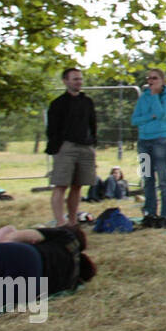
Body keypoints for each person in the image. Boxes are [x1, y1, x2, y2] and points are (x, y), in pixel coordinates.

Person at [0, 224, 95, 314]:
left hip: (23, 256)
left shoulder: (67, 237)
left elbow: (12, 236)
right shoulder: (71, 282)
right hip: (28, 289)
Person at [46, 66, 97, 227]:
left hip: (85, 147)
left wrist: (93, 143)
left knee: (78, 185)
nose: (79, 82)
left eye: (80, 79)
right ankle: (61, 222)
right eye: (75, 79)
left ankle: (73, 221)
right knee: (61, 185)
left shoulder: (87, 102)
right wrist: (58, 147)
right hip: (66, 147)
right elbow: (52, 129)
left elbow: (93, 124)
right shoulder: (57, 104)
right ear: (65, 81)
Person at [131, 68, 166, 229]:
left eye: (155, 78)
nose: (151, 81)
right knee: (147, 178)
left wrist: (155, 95)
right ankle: (149, 213)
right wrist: (150, 117)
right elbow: (135, 120)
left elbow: (163, 114)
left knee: (163, 180)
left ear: (162, 80)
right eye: (149, 78)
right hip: (143, 141)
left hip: (160, 140)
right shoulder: (143, 96)